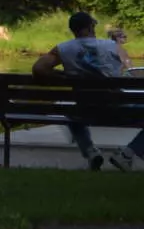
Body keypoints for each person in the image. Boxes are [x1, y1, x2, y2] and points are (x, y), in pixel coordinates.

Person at [34, 12, 143, 171]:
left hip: (85, 110)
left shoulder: (63, 48)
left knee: (71, 113)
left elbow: (38, 69)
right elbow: (131, 70)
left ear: (73, 29)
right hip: (118, 110)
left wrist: (65, 75)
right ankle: (127, 154)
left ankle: (90, 152)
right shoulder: (112, 46)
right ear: (91, 27)